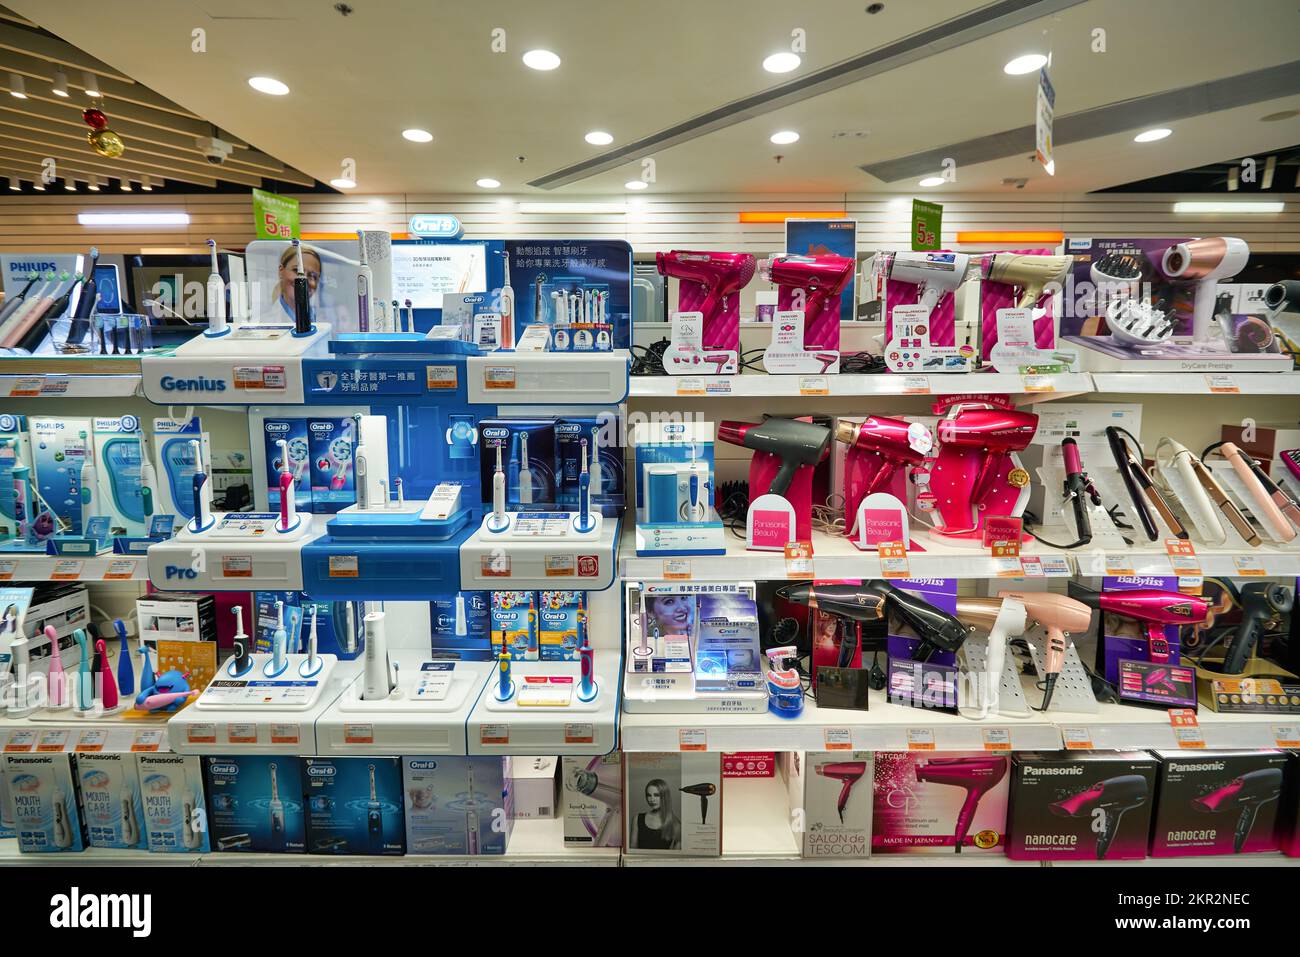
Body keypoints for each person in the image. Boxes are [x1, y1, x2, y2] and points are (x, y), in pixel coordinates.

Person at [273, 244, 322, 324]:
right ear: (281, 271)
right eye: (296, 270)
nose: (303, 279)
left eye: (312, 275)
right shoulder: (264, 322)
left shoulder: (328, 319)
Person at [631, 778, 680, 850]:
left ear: (665, 796)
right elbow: (633, 850)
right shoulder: (637, 819)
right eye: (649, 795)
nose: (652, 799)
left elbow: (676, 855)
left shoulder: (675, 824)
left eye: (656, 795)